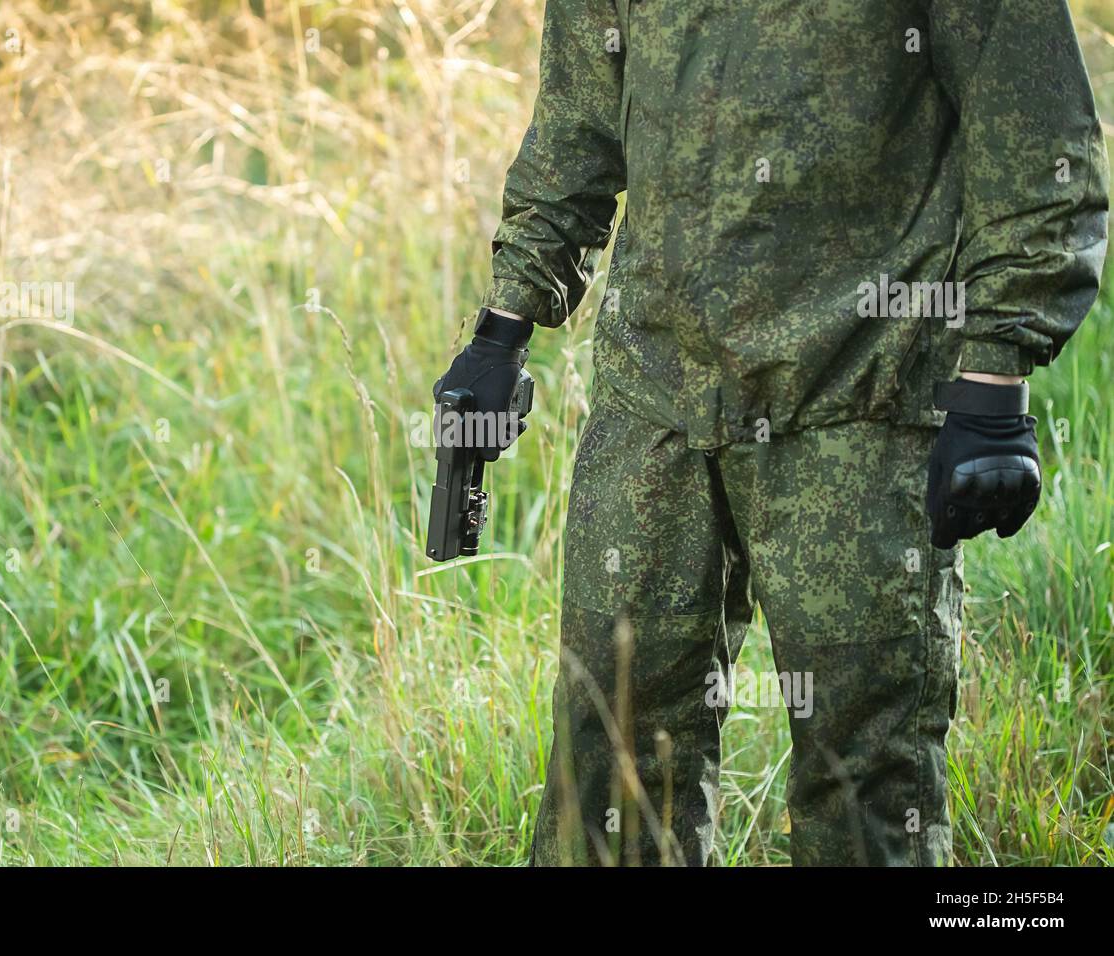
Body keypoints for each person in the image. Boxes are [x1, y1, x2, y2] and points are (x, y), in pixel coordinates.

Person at [433, 0, 1109, 865]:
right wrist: (502, 331)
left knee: (863, 775)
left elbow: (1039, 138)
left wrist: (995, 375)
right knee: (611, 747)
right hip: (656, 402)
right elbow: (577, 134)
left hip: (857, 394)